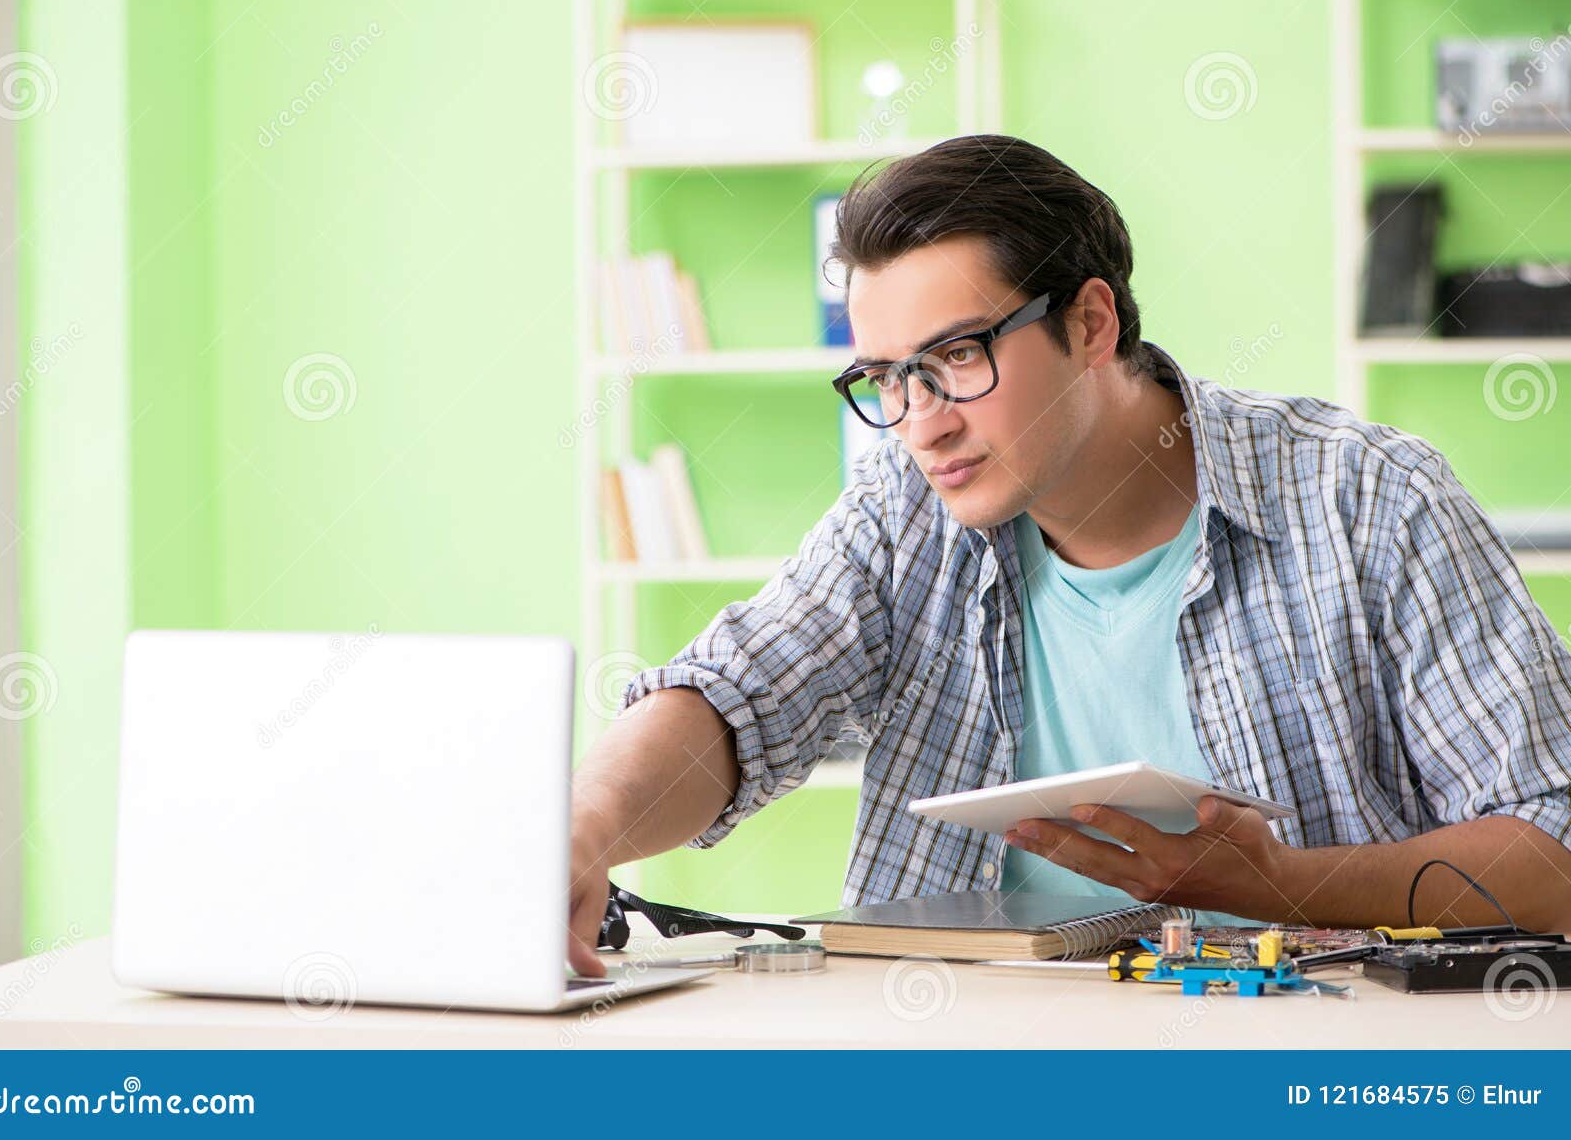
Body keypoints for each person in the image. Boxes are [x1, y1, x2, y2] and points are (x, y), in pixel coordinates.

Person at [565, 134, 1571, 977]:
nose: (919, 424)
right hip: (967, 1061)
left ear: (1089, 322)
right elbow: (734, 699)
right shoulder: (902, 507)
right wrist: (584, 826)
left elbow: (1550, 855)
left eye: (957, 359)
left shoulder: (1369, 501)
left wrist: (1283, 887)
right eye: (886, 377)